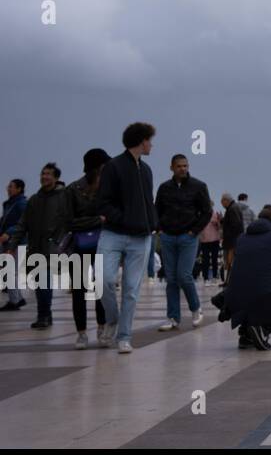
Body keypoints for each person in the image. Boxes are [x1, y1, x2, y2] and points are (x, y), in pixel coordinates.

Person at [94, 122, 159, 353]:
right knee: (103, 281)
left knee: (131, 290)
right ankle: (112, 318)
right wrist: (124, 219)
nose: (152, 145)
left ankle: (124, 336)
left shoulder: (147, 169)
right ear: (142, 141)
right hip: (113, 234)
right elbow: (103, 202)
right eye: (150, 140)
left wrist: (153, 223)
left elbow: (148, 202)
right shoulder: (113, 166)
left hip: (141, 238)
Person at [217, 205, 271, 350]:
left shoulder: (242, 238)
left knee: (251, 295)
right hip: (265, 293)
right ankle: (263, 329)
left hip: (234, 296)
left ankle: (246, 335)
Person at [0, 162, 72, 330]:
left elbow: (69, 222)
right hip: (35, 248)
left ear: (56, 178)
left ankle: (43, 316)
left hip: (53, 248)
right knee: (39, 284)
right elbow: (22, 225)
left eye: (48, 174)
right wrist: (11, 246)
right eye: (43, 173)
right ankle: (46, 314)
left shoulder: (64, 198)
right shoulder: (34, 200)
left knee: (45, 282)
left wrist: (60, 241)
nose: (44, 176)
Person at [154, 153, 211, 331]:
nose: (183, 169)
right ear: (172, 167)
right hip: (168, 237)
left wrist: (194, 231)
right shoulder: (164, 188)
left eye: (185, 166)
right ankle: (173, 318)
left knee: (184, 275)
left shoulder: (199, 186)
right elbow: (157, 209)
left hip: (188, 237)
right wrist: (160, 229)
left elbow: (207, 212)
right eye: (179, 166)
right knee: (171, 278)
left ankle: (196, 309)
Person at [65, 148, 111, 348]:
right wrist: (96, 220)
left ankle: (102, 329)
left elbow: (112, 217)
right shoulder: (73, 189)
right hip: (79, 245)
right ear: (95, 166)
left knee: (101, 289)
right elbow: (69, 222)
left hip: (102, 245)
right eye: (103, 165)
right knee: (78, 290)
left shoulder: (109, 188)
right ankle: (81, 333)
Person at [1, 179, 28, 311]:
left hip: (17, 241)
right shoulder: (8, 204)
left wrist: (9, 233)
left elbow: (23, 222)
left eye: (11, 187)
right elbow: (4, 221)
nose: (8, 189)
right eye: (8, 186)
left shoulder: (22, 203)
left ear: (19, 189)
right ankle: (18, 298)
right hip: (7, 242)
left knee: (10, 271)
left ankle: (14, 300)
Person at [219, 193, 243, 282]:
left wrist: (228, 235)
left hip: (232, 241)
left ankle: (229, 281)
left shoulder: (232, 209)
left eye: (222, 202)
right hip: (233, 240)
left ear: (226, 200)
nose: (222, 204)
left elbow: (235, 224)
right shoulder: (233, 208)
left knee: (230, 262)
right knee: (230, 262)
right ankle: (228, 281)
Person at [198, 205, 223, 282]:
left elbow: (219, 227)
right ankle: (205, 277)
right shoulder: (201, 215)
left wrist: (218, 221)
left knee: (214, 259)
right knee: (205, 260)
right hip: (204, 240)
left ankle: (214, 276)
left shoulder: (215, 214)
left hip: (214, 240)